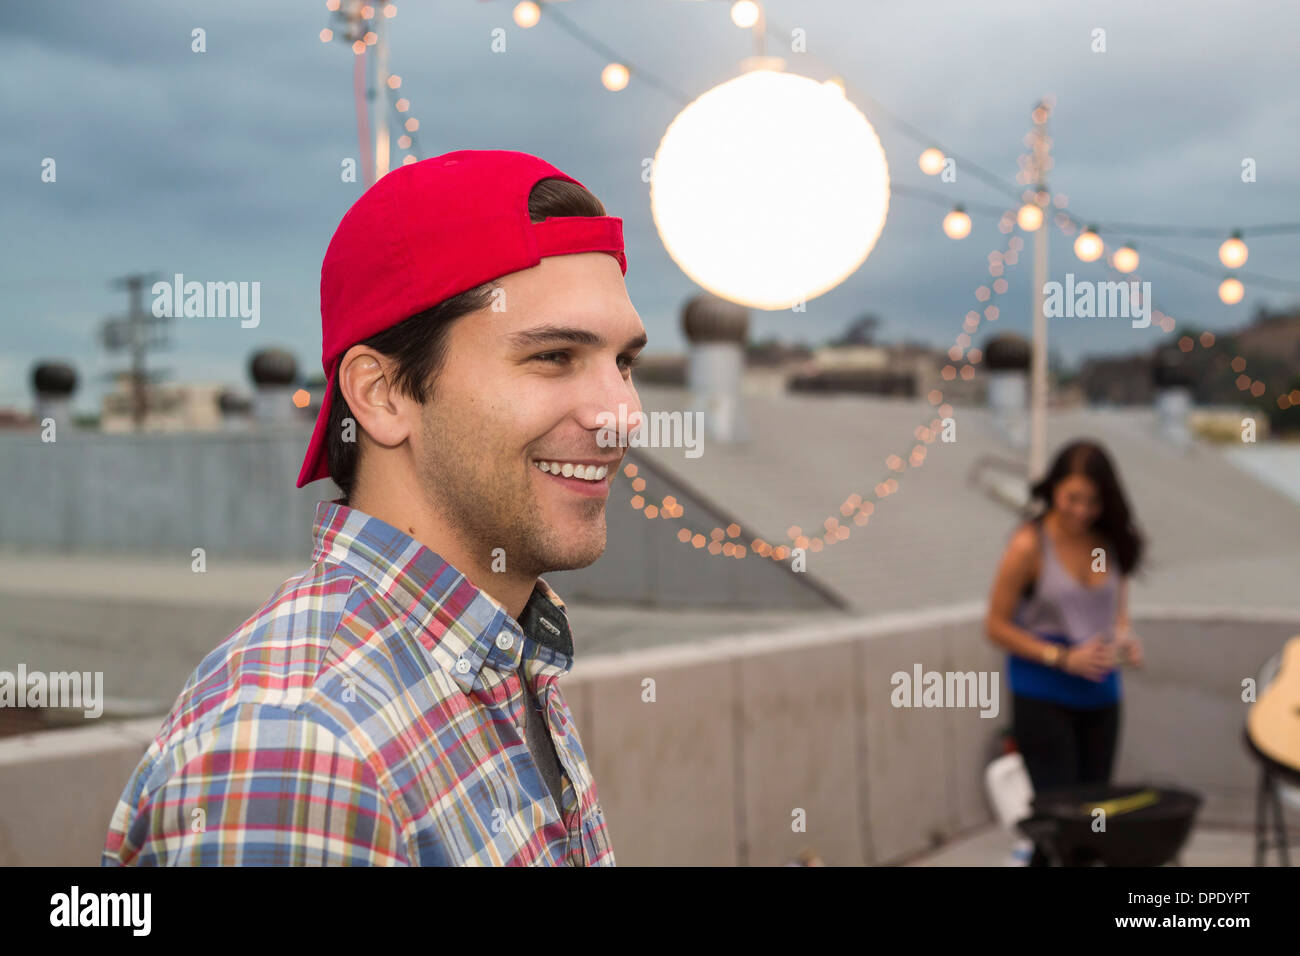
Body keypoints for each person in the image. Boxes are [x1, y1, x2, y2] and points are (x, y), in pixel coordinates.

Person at [102, 150, 645, 865]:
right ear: (382, 395)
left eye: (624, 362)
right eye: (553, 358)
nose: (622, 415)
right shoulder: (304, 750)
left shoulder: (497, 653)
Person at [985, 440, 1146, 816]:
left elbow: (1115, 612)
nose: (1081, 511)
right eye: (1073, 498)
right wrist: (1061, 657)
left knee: (1094, 816)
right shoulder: (1029, 545)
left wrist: (1124, 640)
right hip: (1042, 693)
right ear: (1054, 488)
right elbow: (994, 625)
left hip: (1101, 692)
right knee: (1059, 817)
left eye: (1092, 501)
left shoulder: (1108, 542)